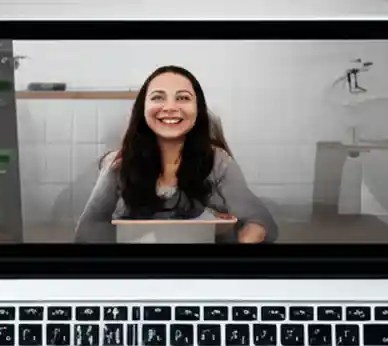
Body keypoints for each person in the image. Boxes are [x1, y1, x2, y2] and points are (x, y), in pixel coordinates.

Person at [74, 65, 277, 244]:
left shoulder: (218, 161)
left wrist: (249, 236)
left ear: (198, 110)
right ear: (142, 109)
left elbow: (261, 222)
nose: (170, 107)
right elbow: (87, 230)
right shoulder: (117, 163)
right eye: (158, 97)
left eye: (182, 98)